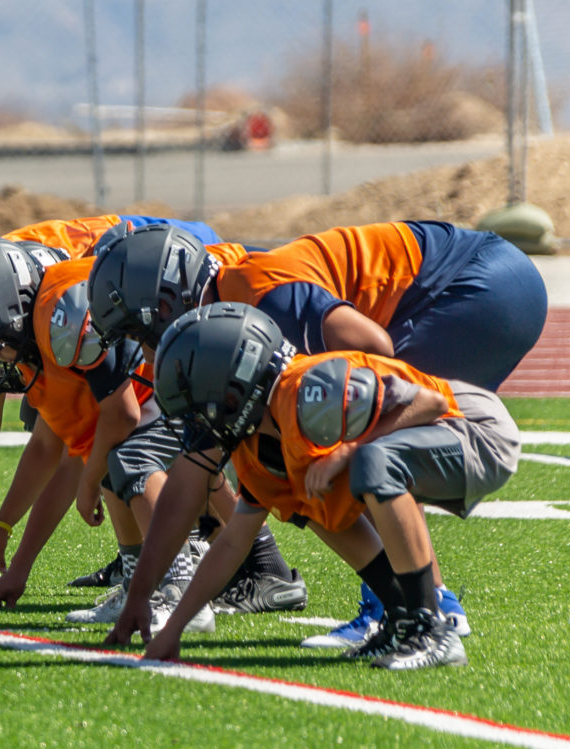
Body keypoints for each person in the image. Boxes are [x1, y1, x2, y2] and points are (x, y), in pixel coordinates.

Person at [90, 220, 544, 645]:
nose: (146, 353)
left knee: (360, 442)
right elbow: (191, 476)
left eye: (139, 333)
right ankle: (410, 603)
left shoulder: (258, 292)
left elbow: (374, 350)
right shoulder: (223, 322)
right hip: (481, 285)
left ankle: (420, 610)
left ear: (167, 304)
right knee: (303, 470)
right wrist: (141, 593)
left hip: (477, 281)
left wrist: (345, 450)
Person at [125, 302, 518, 670]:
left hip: (474, 428)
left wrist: (346, 451)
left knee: (371, 460)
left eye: (196, 404)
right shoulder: (256, 449)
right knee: (307, 499)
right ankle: (400, 614)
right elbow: (231, 543)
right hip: (428, 435)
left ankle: (429, 627)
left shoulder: (308, 390)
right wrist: (174, 629)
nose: (195, 421)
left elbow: (429, 403)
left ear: (231, 385)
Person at [0, 214, 230, 595]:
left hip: (173, 269)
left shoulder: (38, 307)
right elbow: (43, 444)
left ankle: (194, 559)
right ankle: (184, 562)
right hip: (120, 288)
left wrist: (85, 484)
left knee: (132, 443)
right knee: (107, 443)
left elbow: (99, 428)